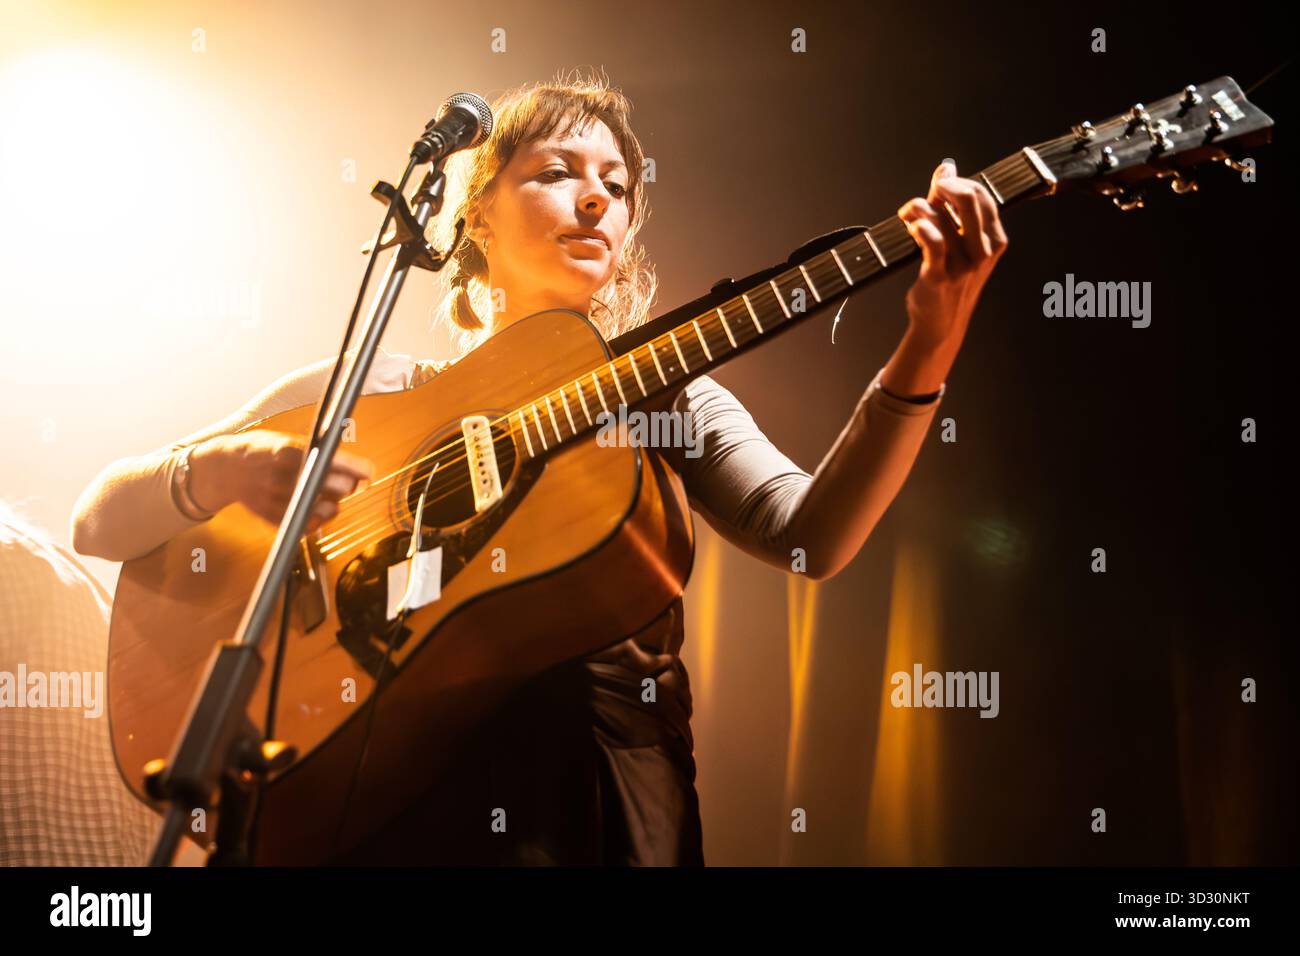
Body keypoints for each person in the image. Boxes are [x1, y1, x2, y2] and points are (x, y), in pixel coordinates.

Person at [69, 69, 1008, 865]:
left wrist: (930, 340)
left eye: (617, 183)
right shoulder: (375, 389)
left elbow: (814, 538)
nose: (598, 198)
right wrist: (228, 467)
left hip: (592, 813)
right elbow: (99, 521)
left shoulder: (667, 394)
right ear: (477, 213)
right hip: (374, 808)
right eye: (557, 174)